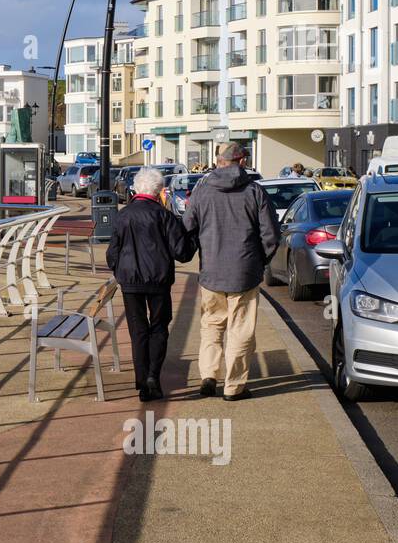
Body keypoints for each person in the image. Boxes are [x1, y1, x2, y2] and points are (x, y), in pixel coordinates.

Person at [181, 142, 280, 402]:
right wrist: (260, 261)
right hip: (245, 272)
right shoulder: (254, 191)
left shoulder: (202, 190)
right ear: (242, 162)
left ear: (218, 161)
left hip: (212, 271)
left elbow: (188, 225)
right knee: (241, 330)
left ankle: (208, 375)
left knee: (211, 325)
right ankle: (234, 386)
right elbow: (270, 234)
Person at [106, 167, 197, 401]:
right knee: (158, 327)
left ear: (136, 188)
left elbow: (112, 253)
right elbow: (183, 253)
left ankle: (142, 379)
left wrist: (119, 270)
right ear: (159, 191)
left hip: (130, 282)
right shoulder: (163, 216)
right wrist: (193, 236)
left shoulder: (123, 215)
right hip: (158, 280)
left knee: (138, 330)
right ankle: (153, 377)